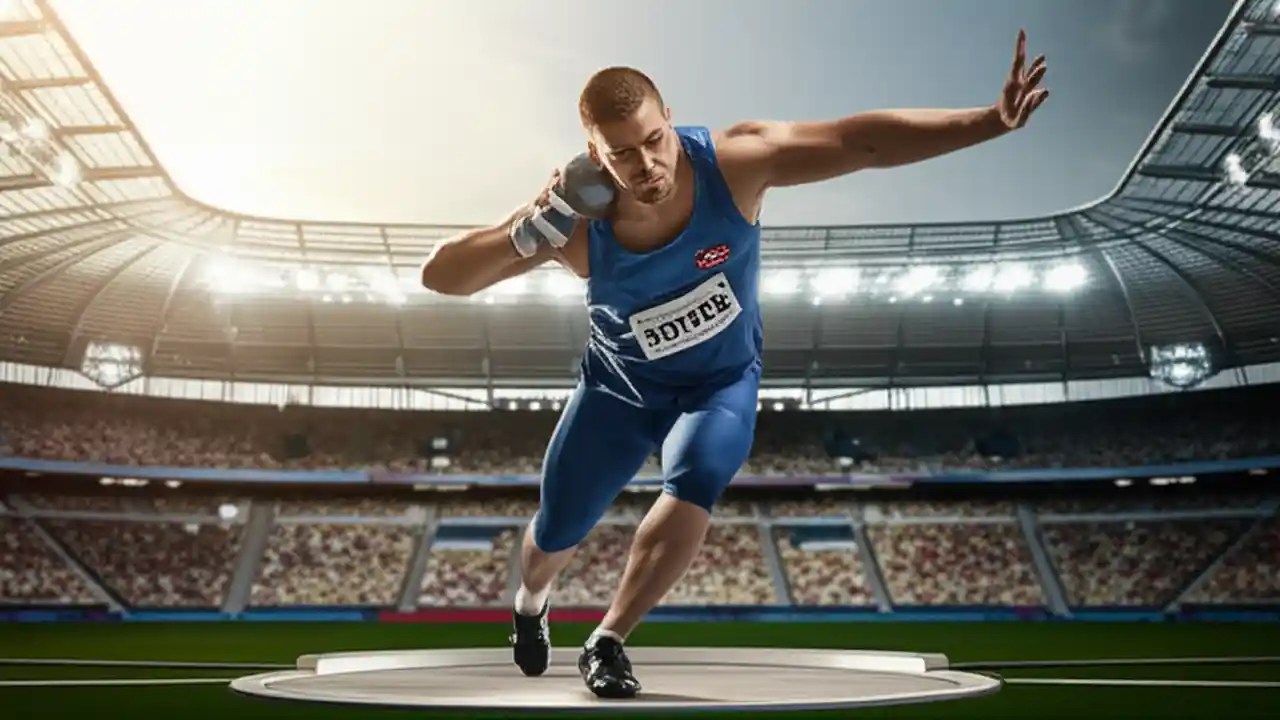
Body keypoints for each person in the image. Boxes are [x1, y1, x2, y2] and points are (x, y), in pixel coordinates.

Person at [420, 30, 1048, 699]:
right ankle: (530, 604)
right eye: (622, 154)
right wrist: (524, 228)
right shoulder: (575, 225)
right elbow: (442, 277)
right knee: (557, 530)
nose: (647, 165)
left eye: (655, 140)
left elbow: (858, 142)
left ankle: (607, 641)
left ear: (670, 119)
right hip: (619, 391)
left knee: (700, 474)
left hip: (718, 383)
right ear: (594, 155)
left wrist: (990, 120)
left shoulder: (736, 164)